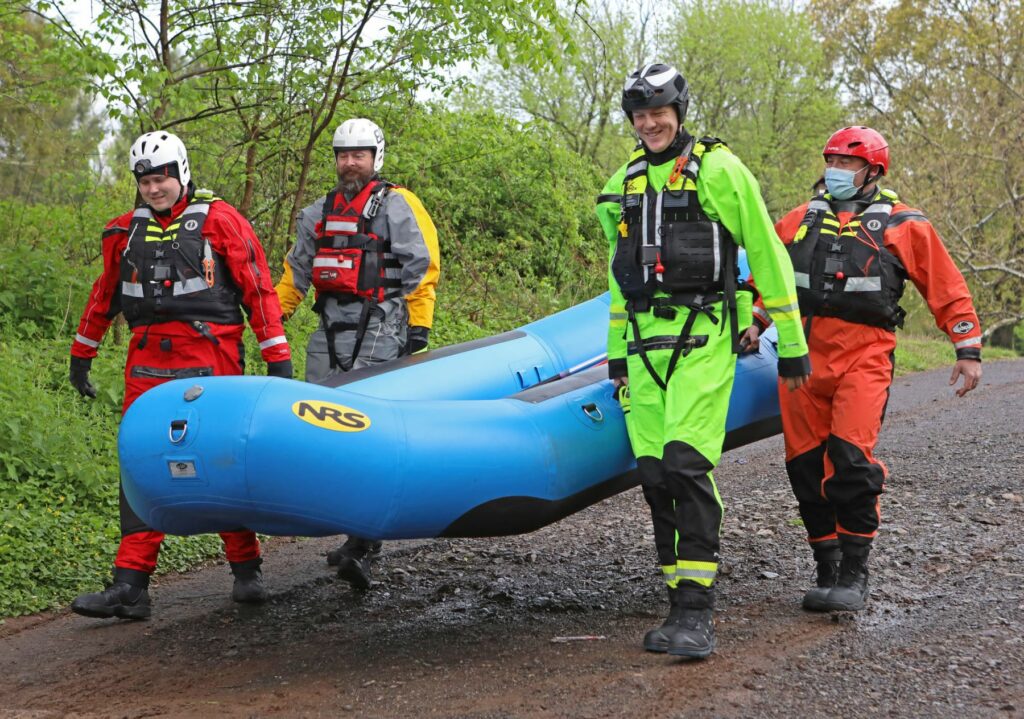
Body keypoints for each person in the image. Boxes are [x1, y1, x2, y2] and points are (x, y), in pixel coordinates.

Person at [597, 63, 811, 659]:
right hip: (642, 349)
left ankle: (697, 613)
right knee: (654, 476)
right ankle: (676, 600)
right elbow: (620, 281)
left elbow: (766, 254)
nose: (650, 123)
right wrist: (616, 355)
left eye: (659, 112)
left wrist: (790, 345)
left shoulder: (721, 170)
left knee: (687, 466)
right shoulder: (624, 183)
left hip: (703, 339)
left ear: (679, 111)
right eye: (640, 116)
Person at [748, 126, 983, 612]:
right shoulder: (796, 221)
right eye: (830, 161)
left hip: (865, 353)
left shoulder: (904, 225)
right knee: (805, 465)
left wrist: (967, 347)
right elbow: (767, 278)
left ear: (873, 172)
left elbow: (944, 284)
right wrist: (754, 319)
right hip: (802, 353)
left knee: (851, 462)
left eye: (846, 164)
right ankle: (826, 567)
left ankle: (855, 571)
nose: (835, 171)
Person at [68, 131, 293, 620]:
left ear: (181, 173)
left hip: (212, 361)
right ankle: (130, 587)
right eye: (145, 180)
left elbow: (258, 289)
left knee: (219, 460)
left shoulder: (223, 222)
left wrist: (277, 356)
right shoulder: (122, 232)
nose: (154, 188)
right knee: (141, 466)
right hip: (147, 365)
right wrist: (81, 353)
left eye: (162, 178)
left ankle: (246, 567)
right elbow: (104, 294)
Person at [275, 117, 440, 591]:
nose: (351, 162)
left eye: (359, 154)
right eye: (343, 154)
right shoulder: (316, 213)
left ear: (376, 156)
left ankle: (365, 542)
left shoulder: (397, 204)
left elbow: (421, 265)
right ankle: (345, 523)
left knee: (367, 429)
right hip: (328, 328)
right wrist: (269, 320)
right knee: (317, 421)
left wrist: (420, 326)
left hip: (381, 325)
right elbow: (295, 275)